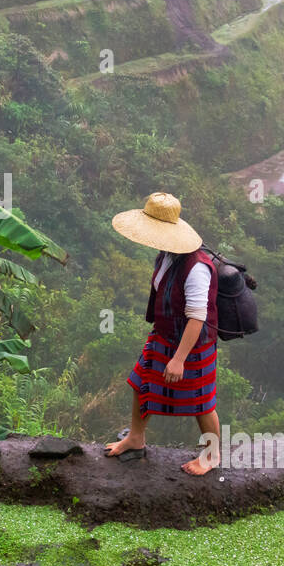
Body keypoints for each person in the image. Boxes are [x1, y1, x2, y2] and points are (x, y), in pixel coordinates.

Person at [106, 192, 221, 475]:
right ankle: (136, 437)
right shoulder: (168, 256)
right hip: (164, 334)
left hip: (192, 344)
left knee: (201, 401)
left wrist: (179, 359)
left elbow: (196, 318)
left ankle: (211, 455)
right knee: (140, 381)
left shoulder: (196, 268)